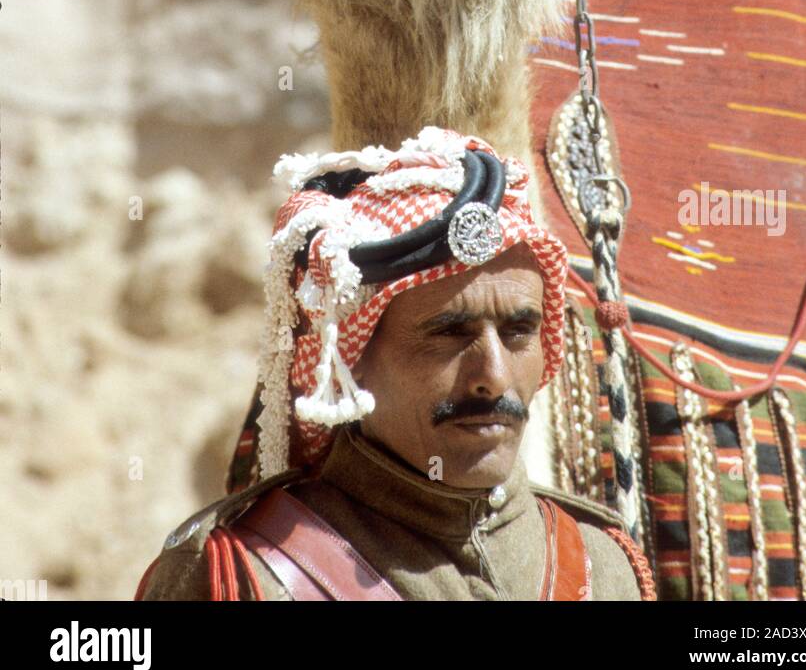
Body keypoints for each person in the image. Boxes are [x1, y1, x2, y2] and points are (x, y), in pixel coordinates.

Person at [135, 128, 655, 601]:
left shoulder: (602, 568)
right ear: (351, 362)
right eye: (449, 334)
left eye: (519, 331)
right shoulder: (248, 575)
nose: (494, 377)